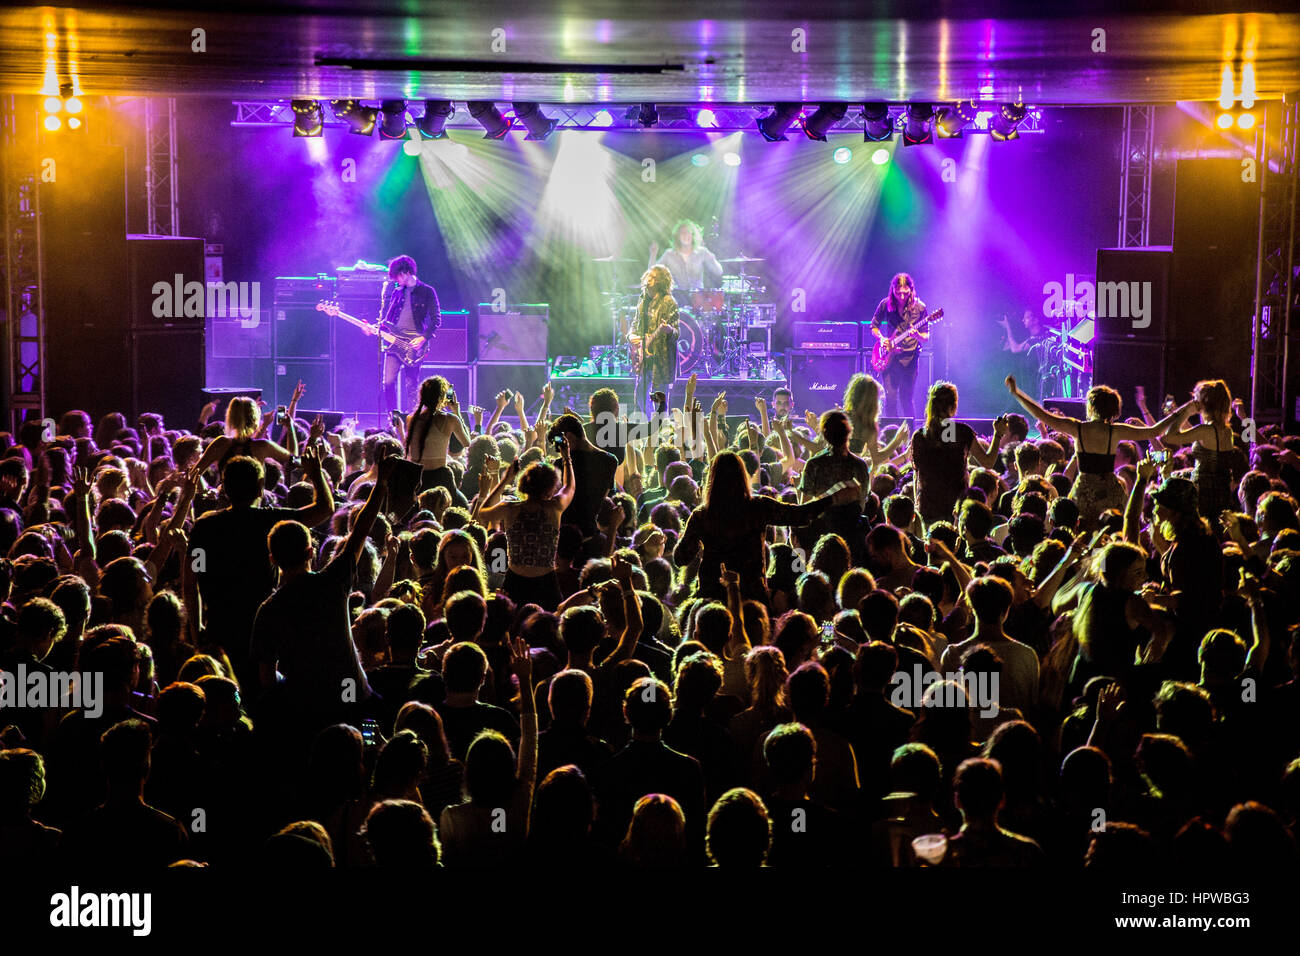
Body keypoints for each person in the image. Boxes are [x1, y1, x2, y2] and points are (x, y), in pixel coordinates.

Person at [250, 458, 397, 736]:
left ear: (273, 559)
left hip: (306, 713)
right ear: (310, 553)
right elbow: (361, 528)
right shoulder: (332, 582)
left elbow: (267, 678)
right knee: (369, 747)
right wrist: (381, 484)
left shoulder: (268, 610)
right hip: (353, 699)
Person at [1004, 376, 1191, 531]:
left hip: (1084, 491)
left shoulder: (1078, 428)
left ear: (1091, 406)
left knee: (1082, 534)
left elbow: (1042, 414)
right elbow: (1155, 431)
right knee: (1113, 532)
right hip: (1110, 491)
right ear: (1114, 409)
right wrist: (1184, 410)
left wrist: (1016, 393)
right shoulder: (1115, 431)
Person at [675, 451, 861, 602]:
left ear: (712, 480)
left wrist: (696, 541)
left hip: (713, 597)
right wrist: (834, 498)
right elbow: (800, 515)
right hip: (752, 596)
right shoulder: (758, 507)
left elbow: (681, 558)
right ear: (743, 477)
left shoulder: (702, 516)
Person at [473, 454, 575, 612]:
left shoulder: (510, 508)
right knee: (548, 628)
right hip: (545, 582)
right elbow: (570, 487)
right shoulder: (554, 507)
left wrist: (506, 479)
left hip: (515, 581)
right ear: (550, 486)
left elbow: (483, 512)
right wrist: (567, 458)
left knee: (511, 627)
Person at [909, 382, 1006, 527]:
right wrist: (997, 435)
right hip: (956, 507)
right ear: (953, 406)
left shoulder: (920, 436)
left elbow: (916, 474)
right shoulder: (961, 432)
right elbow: (987, 462)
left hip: (929, 507)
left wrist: (918, 501)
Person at [1161, 379, 1246, 522]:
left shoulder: (1206, 430)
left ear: (1205, 402)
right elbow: (1191, 434)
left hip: (1203, 491)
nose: (1193, 402)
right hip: (1220, 490)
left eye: (1196, 399)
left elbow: (1169, 437)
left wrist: (1186, 412)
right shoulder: (1225, 430)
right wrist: (1177, 412)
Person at [799, 410, 872, 563]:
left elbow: (804, 507)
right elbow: (862, 504)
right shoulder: (859, 465)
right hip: (852, 538)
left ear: (824, 435)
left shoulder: (814, 465)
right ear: (849, 433)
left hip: (820, 538)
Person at [374, 255, 441, 415]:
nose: (396, 281)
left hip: (414, 344)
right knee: (388, 383)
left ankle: (413, 419)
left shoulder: (427, 291)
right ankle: (393, 419)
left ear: (405, 272)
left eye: (397, 276)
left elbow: (436, 319)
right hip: (393, 343)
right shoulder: (397, 292)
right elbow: (388, 320)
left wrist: (423, 337)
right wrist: (375, 328)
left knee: (411, 386)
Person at [546, 413, 617, 542]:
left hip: (564, 534)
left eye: (558, 443)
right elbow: (602, 498)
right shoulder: (610, 460)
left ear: (568, 437)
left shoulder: (561, 464)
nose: (558, 449)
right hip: (591, 532)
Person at [870, 273, 930, 419]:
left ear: (911, 289)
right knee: (890, 399)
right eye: (898, 293)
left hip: (910, 359)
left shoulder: (920, 308)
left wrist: (917, 335)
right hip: (890, 359)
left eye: (905, 292)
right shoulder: (886, 304)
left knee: (906, 399)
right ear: (893, 290)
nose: (901, 296)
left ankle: (910, 436)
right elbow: (874, 326)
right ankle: (891, 433)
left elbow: (926, 337)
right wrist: (882, 338)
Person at [404, 375, 470, 496]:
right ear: (443, 397)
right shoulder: (450, 419)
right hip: (439, 478)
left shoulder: (411, 418)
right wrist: (457, 412)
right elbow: (467, 443)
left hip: (415, 478)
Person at [629, 265, 681, 417]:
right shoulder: (642, 303)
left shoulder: (669, 302)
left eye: (653, 277)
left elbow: (677, 332)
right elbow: (633, 326)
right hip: (644, 356)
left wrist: (669, 330)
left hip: (662, 359)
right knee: (640, 393)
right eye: (648, 276)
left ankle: (660, 430)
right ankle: (651, 424)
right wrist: (631, 336)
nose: (649, 279)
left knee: (660, 398)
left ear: (660, 281)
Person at [843, 373, 909, 465]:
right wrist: (897, 440)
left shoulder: (843, 417)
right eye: (878, 399)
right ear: (872, 400)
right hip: (852, 472)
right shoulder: (868, 424)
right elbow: (877, 458)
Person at [648, 219, 723, 292]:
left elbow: (719, 271)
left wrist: (713, 260)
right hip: (679, 298)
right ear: (678, 236)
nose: (686, 235)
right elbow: (652, 273)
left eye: (688, 232)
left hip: (699, 298)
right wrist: (653, 255)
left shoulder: (702, 251)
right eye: (683, 233)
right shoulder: (669, 254)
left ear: (693, 235)